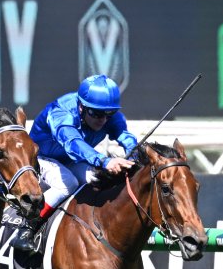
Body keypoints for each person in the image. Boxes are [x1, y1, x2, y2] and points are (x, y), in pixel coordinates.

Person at [10, 74, 138, 258]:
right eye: (96, 113)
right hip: (39, 159)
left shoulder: (107, 116)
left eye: (108, 114)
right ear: (81, 106)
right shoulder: (61, 112)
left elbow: (125, 136)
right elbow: (73, 144)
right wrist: (105, 161)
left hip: (70, 161)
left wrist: (135, 154)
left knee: (98, 178)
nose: (102, 120)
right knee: (68, 183)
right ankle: (26, 227)